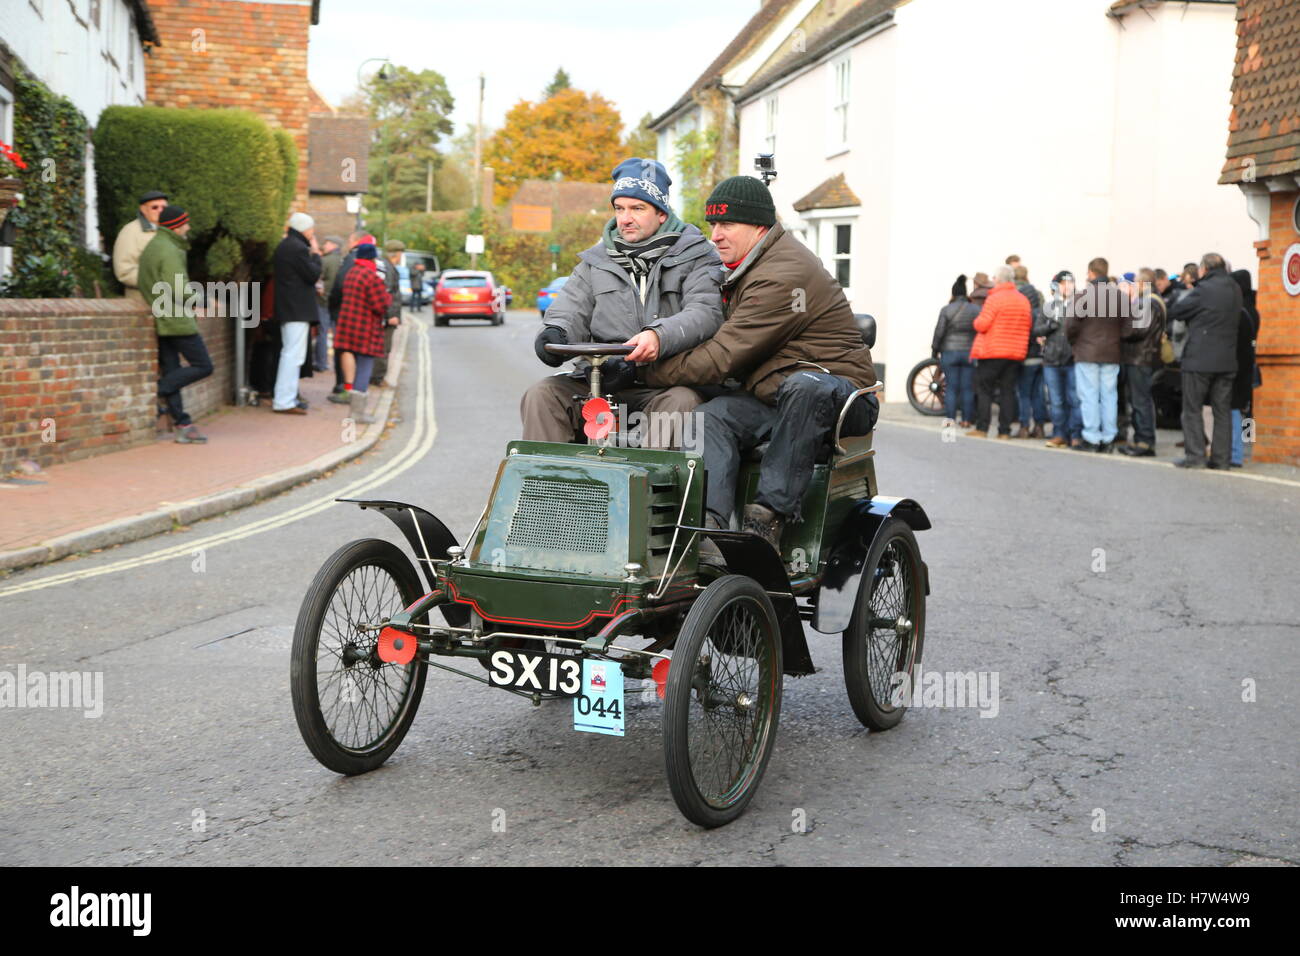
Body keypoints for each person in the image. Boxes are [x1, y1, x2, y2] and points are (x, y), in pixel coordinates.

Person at [637, 175, 876, 558]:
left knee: (805, 386)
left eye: (727, 224)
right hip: (775, 394)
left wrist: (643, 371)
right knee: (710, 416)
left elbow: (722, 357)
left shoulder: (783, 273)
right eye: (712, 224)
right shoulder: (740, 269)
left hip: (841, 397)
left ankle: (768, 518)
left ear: (760, 227)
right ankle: (711, 529)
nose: (715, 235)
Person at [522, 157, 723, 448]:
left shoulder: (697, 255)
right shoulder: (596, 260)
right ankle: (554, 485)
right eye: (620, 208)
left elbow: (705, 312)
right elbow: (570, 307)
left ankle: (650, 489)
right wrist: (556, 332)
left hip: (665, 382)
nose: (625, 218)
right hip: (602, 380)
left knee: (680, 402)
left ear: (662, 213)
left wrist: (658, 335)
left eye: (637, 208)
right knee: (543, 395)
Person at [136, 204, 213, 443]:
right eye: (185, 223)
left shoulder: (156, 245)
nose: (188, 227)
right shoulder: (168, 250)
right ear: (176, 226)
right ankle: (158, 392)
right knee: (203, 365)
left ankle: (182, 423)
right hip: (175, 317)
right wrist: (200, 300)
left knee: (172, 368)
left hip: (162, 315)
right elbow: (177, 287)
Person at [1170, 253, 1241, 468]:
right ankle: (1221, 460)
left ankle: (1196, 457)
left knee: (1192, 409)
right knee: (1222, 411)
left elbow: (1177, 310)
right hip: (1227, 360)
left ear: (1204, 269)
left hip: (1199, 359)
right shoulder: (1235, 289)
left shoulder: (1203, 289)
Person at [1066, 257, 1129, 452]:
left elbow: (1070, 325)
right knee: (1109, 396)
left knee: (1089, 395)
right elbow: (1129, 327)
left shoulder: (1083, 295)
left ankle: (1092, 437)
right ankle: (1109, 438)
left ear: (1091, 273)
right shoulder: (1120, 297)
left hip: (1087, 352)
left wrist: (1075, 343)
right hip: (1111, 352)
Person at [332, 242, 392, 426]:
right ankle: (358, 412)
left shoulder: (352, 272)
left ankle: (352, 400)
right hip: (365, 325)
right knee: (366, 364)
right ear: (373, 258)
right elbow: (380, 304)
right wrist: (387, 296)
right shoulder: (371, 276)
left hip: (348, 322)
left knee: (351, 356)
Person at [968, 265, 1031, 439]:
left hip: (993, 351)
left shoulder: (995, 298)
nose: (993, 281)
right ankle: (1004, 431)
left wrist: (976, 321)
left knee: (985, 389)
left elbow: (982, 324)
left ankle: (982, 428)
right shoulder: (1023, 300)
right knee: (1007, 392)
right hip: (1015, 353)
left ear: (1000, 280)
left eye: (995, 278)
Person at [270, 212, 323, 414]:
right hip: (296, 309)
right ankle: (284, 401)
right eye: (311, 229)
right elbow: (312, 274)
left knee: (291, 354)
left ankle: (287, 398)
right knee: (293, 355)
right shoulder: (298, 248)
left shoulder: (287, 245)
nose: (313, 233)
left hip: (289, 307)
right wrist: (316, 254)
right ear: (303, 228)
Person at [1118, 268, 1167, 457]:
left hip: (1140, 357)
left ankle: (1144, 441)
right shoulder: (1154, 301)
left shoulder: (1148, 302)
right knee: (1140, 400)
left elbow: (1135, 330)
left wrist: (1120, 328)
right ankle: (1141, 439)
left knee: (1140, 401)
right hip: (1143, 356)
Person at [1041, 271, 1083, 448]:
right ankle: (1060, 434)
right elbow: (1036, 328)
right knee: (1056, 400)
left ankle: (1076, 434)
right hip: (1052, 360)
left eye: (1070, 283)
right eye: (1063, 283)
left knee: (1074, 399)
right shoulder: (1049, 307)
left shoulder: (1080, 305)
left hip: (1073, 359)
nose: (1067, 286)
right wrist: (1049, 326)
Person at [931, 274, 977, 426]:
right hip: (969, 352)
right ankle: (966, 420)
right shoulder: (975, 309)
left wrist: (934, 350)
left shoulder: (947, 309)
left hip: (949, 352)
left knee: (951, 387)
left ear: (953, 293)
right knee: (967, 387)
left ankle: (950, 419)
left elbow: (939, 332)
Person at [112, 190, 168, 302]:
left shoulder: (170, 230)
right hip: (142, 301)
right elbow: (124, 271)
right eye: (155, 207)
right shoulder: (130, 232)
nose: (160, 211)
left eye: (164, 207)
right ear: (143, 209)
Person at [1229, 269, 1260, 468]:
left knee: (1240, 407)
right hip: (1251, 362)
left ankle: (1243, 445)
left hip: (1241, 364)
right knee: (1249, 406)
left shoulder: (1241, 309)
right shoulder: (1254, 307)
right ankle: (1249, 440)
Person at [1013, 264, 1048, 438]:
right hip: (1041, 358)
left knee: (1024, 394)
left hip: (1026, 358)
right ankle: (1040, 427)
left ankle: (1024, 426)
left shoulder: (1024, 314)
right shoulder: (1042, 313)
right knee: (1038, 394)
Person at [372, 240, 405, 386]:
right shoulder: (388, 268)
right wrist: (391, 315)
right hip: (386, 317)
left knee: (383, 347)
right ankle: (377, 378)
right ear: (397, 254)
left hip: (385, 315)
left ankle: (377, 376)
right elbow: (388, 293)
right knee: (384, 347)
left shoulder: (385, 265)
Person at [313, 235, 343, 373]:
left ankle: (321, 363)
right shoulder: (343, 261)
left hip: (323, 301)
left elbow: (316, 278)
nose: (324, 246)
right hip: (338, 302)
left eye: (326, 243)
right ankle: (339, 364)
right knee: (337, 333)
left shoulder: (325, 260)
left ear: (333, 245)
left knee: (322, 332)